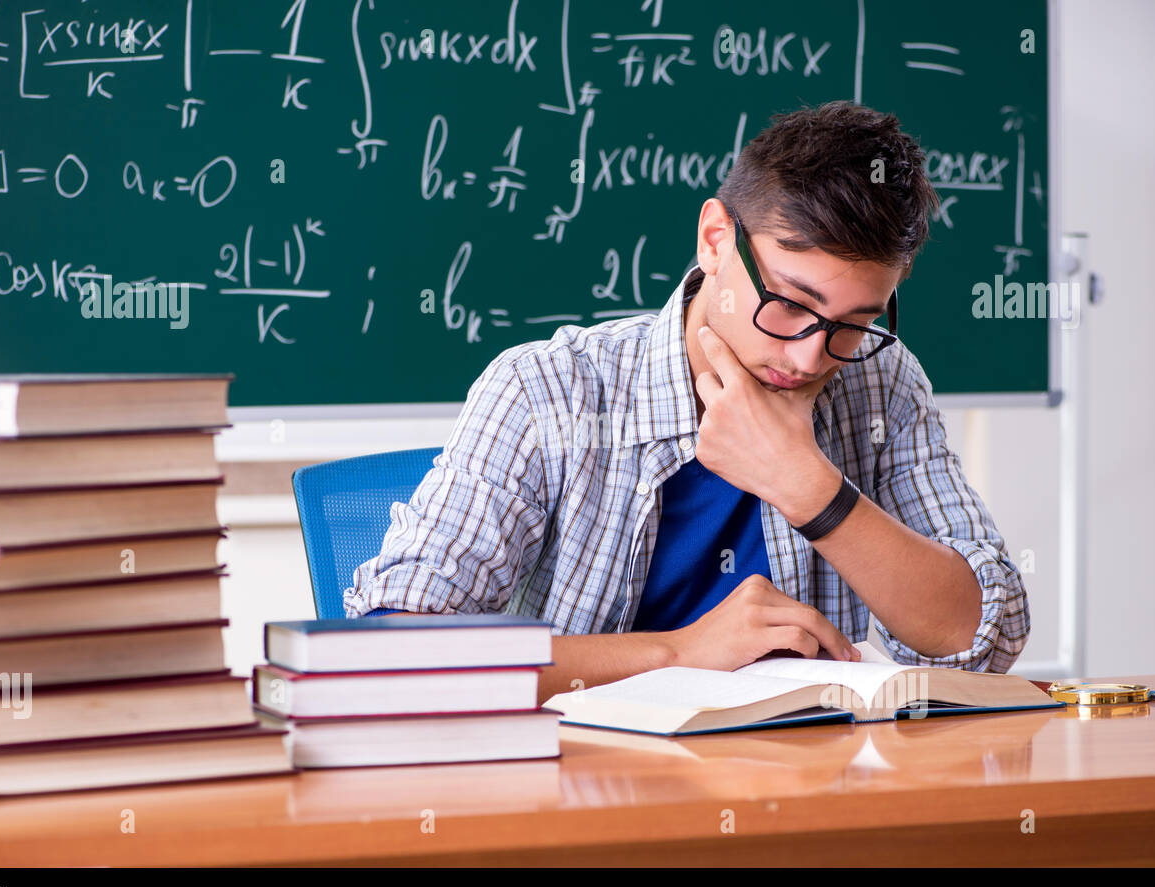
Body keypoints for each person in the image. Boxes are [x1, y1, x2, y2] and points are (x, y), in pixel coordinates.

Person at [344, 101, 1029, 705]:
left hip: (808, 810)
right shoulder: (546, 391)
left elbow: (983, 637)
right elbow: (394, 653)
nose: (809, 357)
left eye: (855, 322)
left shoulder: (881, 382)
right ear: (715, 240)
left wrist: (809, 488)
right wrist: (677, 654)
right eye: (791, 304)